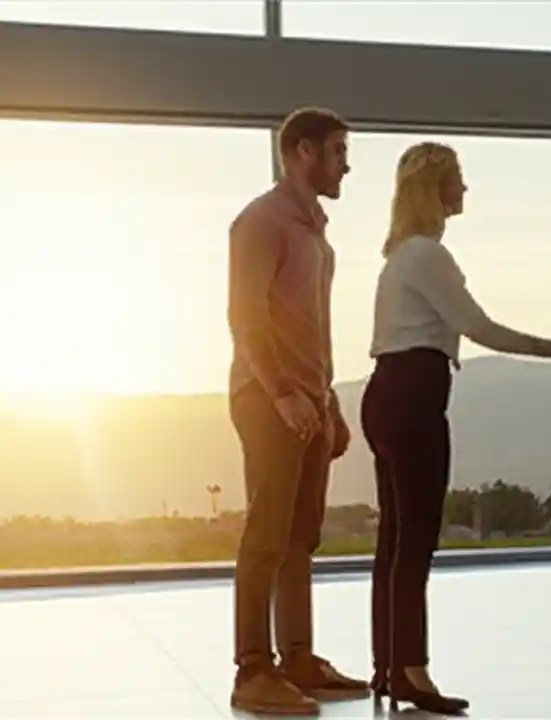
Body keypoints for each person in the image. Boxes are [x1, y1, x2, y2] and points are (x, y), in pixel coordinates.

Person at [363, 141, 551, 714]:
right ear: (435, 189)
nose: (465, 190)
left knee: (395, 540)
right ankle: (410, 672)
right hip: (413, 396)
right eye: (458, 180)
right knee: (415, 538)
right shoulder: (425, 254)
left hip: (387, 393)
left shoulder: (401, 255)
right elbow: (481, 328)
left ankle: (389, 665)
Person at [226, 106, 369, 716]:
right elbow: (246, 316)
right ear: (303, 151)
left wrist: (328, 400)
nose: (346, 164)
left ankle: (299, 659)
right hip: (267, 398)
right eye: (338, 151)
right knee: (266, 535)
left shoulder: (317, 232)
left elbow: (317, 326)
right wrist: (283, 391)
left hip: (311, 400)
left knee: (301, 538)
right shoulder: (260, 221)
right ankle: (252, 671)